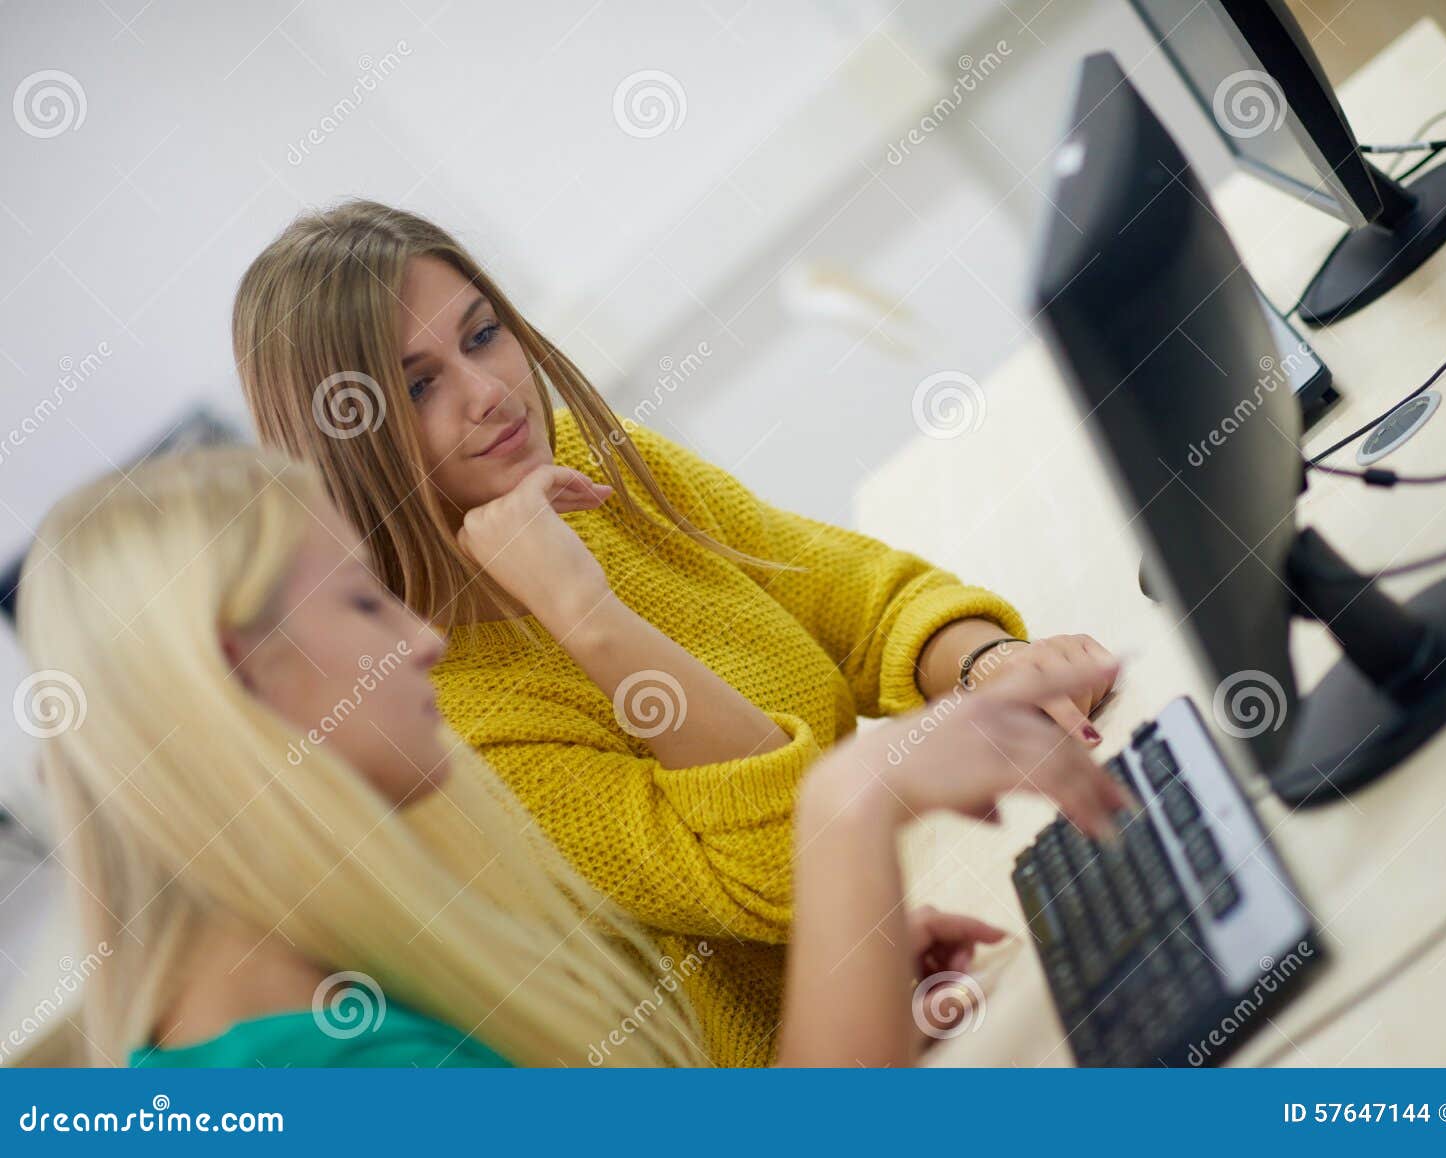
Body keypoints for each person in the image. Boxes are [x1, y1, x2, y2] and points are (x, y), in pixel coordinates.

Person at [232, 200, 1119, 1064]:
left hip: (894, 983)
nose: (489, 393)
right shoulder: (445, 716)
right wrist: (586, 616)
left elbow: (853, 598)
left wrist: (988, 665)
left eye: (481, 335)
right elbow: (793, 871)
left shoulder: (586, 460)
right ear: (352, 445)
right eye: (420, 385)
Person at [18, 447, 1127, 1067]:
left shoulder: (314, 996)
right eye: (362, 602)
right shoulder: (348, 1078)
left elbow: (848, 589)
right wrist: (850, 811)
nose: (420, 640)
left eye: (485, 333)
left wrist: (859, 977)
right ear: (239, 674)